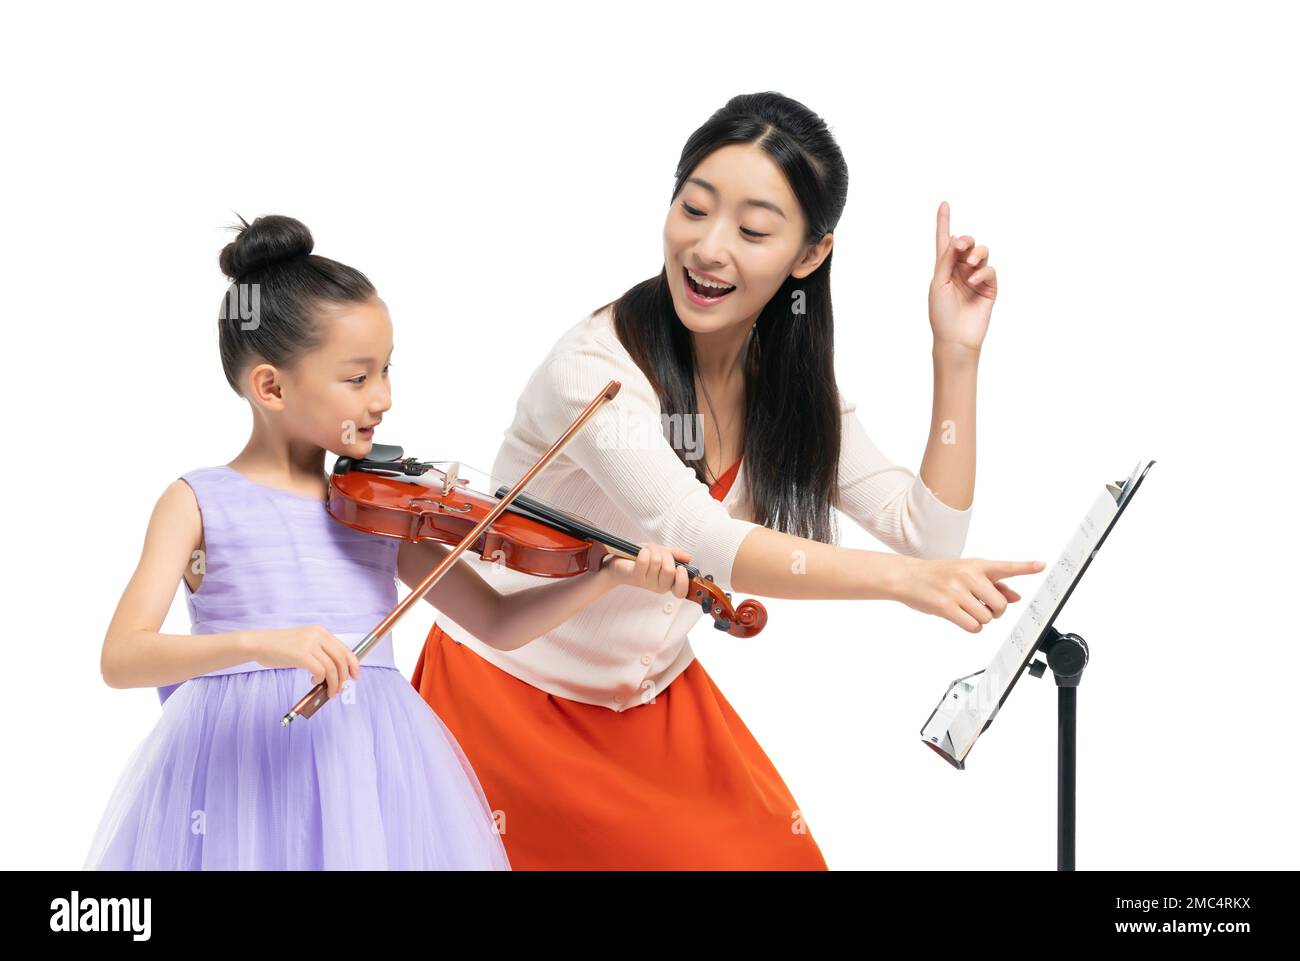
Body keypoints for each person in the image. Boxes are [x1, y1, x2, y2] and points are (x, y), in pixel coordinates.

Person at [410, 92, 1044, 869]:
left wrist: (956, 353)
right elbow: (700, 536)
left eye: (751, 230)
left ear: (809, 255)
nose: (708, 248)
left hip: (654, 700)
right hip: (508, 693)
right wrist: (906, 581)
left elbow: (930, 535)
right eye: (693, 209)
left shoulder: (785, 384)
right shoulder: (597, 369)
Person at [84, 214, 692, 870]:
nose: (384, 398)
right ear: (271, 386)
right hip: (233, 772)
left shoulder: (374, 510)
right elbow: (122, 656)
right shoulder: (196, 500)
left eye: (386, 371)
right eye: (358, 377)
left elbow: (498, 620)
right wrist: (264, 645)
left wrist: (604, 575)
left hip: (363, 765)